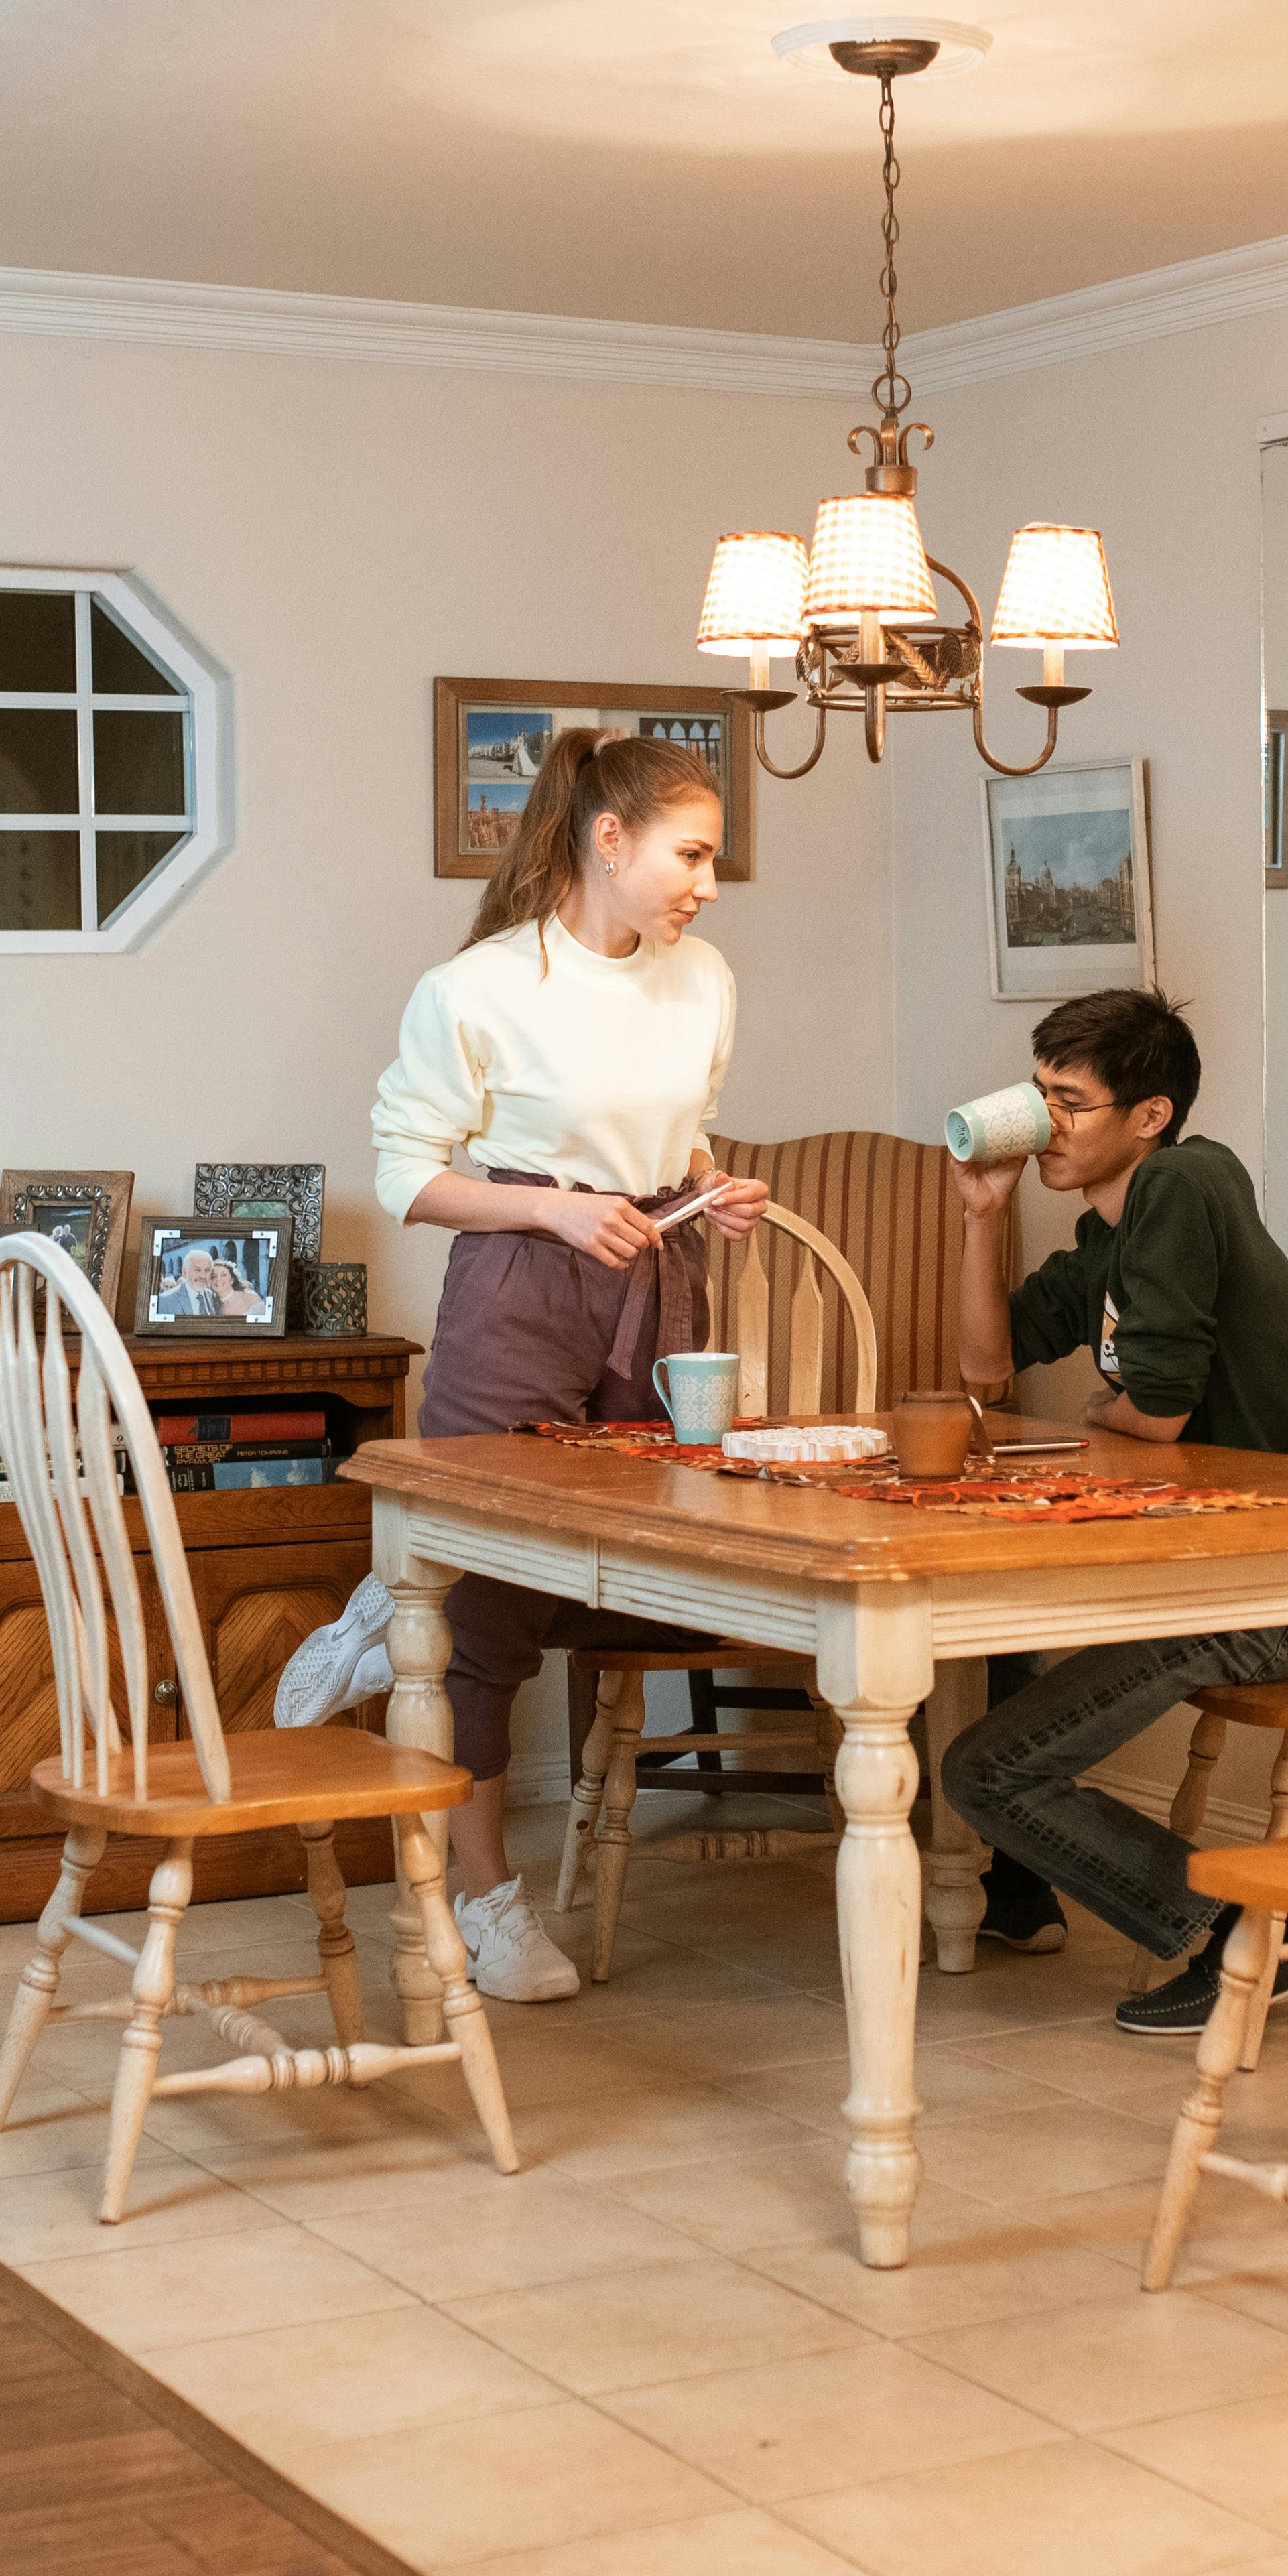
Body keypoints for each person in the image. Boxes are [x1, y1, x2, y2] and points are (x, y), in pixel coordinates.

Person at [369, 728, 768, 2001]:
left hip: (660, 1277)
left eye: (711, 855)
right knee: (489, 1603)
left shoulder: (702, 974)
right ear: (610, 839)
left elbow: (677, 1134)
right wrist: (546, 1211)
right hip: (523, 1287)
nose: (705, 879)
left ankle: (387, 1608)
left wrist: (711, 1186)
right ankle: (483, 1900)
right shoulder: (475, 988)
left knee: (655, 1554)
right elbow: (403, 1176)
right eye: (689, 852)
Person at [938, 989, 1288, 2034]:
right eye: (1038, 1096)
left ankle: (1249, 1928)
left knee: (985, 1765)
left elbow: (1160, 1414)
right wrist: (984, 1217)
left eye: (1070, 1104)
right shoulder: (1106, 1240)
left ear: (1149, 1115)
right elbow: (984, 1364)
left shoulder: (1184, 1179)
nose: (1045, 1123)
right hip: (1190, 1560)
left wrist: (1108, 1407)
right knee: (983, 1641)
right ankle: (1036, 1889)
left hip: (1267, 1572)